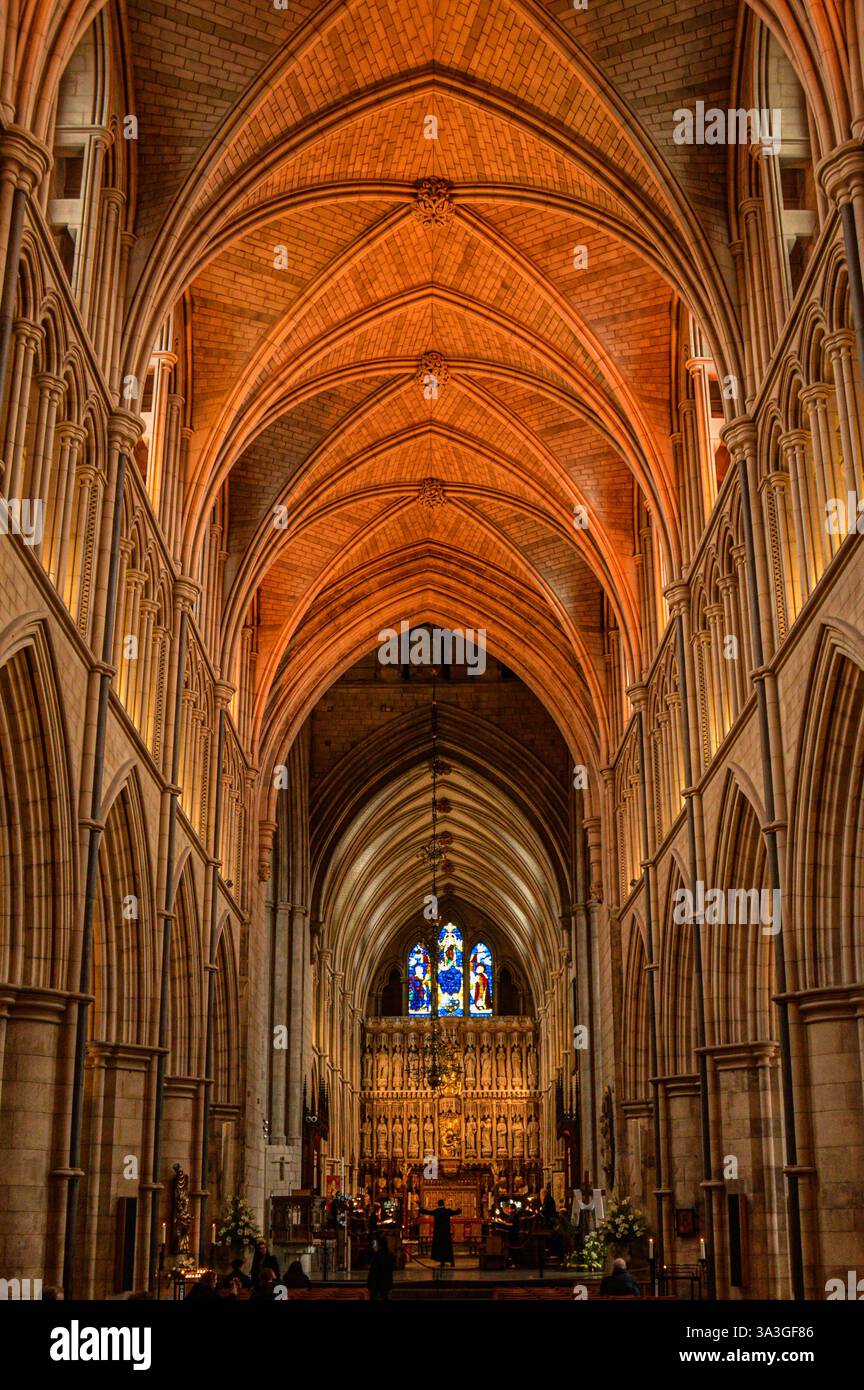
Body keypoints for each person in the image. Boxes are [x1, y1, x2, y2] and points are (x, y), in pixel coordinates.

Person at [419, 1198, 461, 1268]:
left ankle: (442, 1262)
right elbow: (456, 1212)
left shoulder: (437, 1211)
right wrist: (459, 1209)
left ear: (438, 1204)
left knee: (440, 1247)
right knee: (448, 1247)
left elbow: (428, 1212)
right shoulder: (447, 1211)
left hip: (438, 1232)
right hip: (446, 1232)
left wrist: (421, 1210)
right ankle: (451, 1261)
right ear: (443, 1204)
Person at [366, 1233, 396, 1301]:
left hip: (377, 1287)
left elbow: (373, 1272)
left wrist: (369, 1285)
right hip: (387, 1285)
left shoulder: (377, 1256)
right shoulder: (390, 1255)